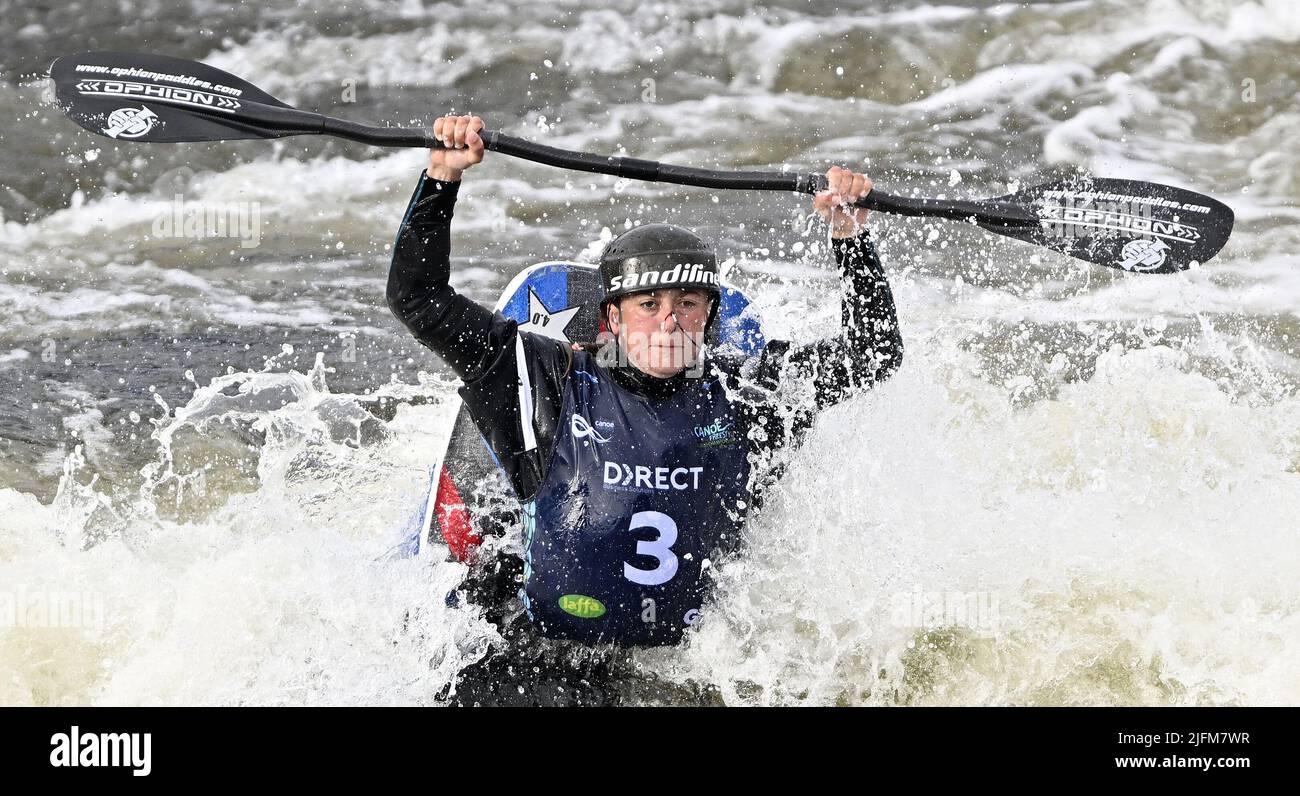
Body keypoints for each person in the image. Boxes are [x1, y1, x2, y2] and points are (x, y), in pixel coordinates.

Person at [387, 115, 903, 701]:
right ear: (611, 318)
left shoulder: (749, 395)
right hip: (526, 663)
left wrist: (849, 237)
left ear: (709, 315)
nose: (669, 320)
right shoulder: (541, 377)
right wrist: (442, 177)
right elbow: (417, 298)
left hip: (672, 673)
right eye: (648, 304)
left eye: (687, 303)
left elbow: (874, 356)